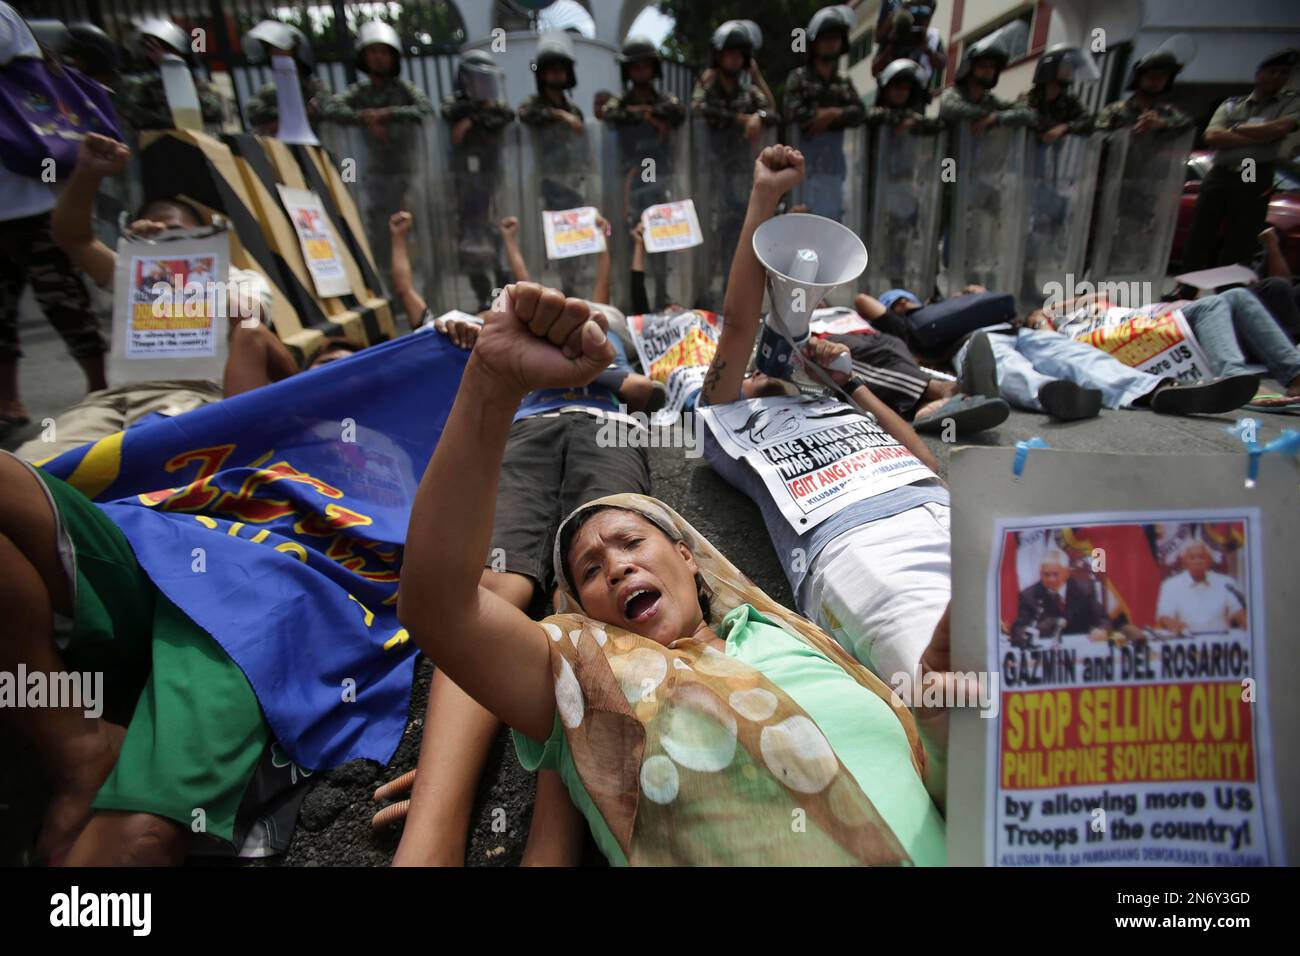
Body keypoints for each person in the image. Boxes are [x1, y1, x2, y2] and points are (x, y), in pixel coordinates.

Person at [394, 270, 955, 864]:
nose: (614, 566)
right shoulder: (585, 673)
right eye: (587, 573)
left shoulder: (795, 636)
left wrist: (943, 733)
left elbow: (929, 781)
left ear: (687, 555)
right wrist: (489, 382)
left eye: (632, 541)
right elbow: (441, 605)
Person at [28, 132, 357, 460]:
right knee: (34, 463)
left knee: (143, 466)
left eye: (175, 231)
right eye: (155, 229)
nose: (164, 235)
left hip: (190, 398)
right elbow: (72, 238)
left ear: (204, 237)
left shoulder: (241, 279)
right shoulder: (129, 272)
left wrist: (176, 266)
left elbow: (249, 319)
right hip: (114, 400)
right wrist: (87, 174)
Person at [0, 5, 109, 437]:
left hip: (35, 201)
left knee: (64, 300)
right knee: (0, 311)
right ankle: (7, 400)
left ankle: (100, 390)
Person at [321, 20, 433, 275]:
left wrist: (386, 114)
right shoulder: (359, 93)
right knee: (381, 235)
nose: (379, 58)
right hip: (377, 177)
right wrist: (364, 118)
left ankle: (425, 292)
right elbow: (330, 108)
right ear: (363, 56)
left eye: (384, 52)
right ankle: (390, 291)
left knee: (421, 234)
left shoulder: (404, 91)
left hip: (409, 174)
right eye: (373, 52)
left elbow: (425, 111)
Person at [1182, 49, 1300, 271]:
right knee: (1202, 231)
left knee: (1242, 234)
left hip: (1252, 169)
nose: (1278, 77)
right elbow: (1212, 136)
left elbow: (1280, 129)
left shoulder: (1289, 104)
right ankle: (1186, 287)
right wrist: (1259, 135)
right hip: (1222, 170)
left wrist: (1236, 129)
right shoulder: (1232, 104)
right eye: (1273, 71)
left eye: (1284, 73)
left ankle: (1229, 288)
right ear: (1258, 74)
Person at [690, 20, 779, 306]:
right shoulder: (708, 86)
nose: (733, 59)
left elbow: (771, 110)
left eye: (739, 54)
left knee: (737, 236)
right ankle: (706, 297)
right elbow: (699, 109)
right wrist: (743, 119)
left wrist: (757, 82)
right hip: (710, 177)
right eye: (728, 53)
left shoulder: (748, 93)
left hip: (740, 177)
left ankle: (733, 296)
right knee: (709, 237)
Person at [601, 37, 686, 311]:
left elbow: (678, 111)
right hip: (631, 182)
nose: (640, 71)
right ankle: (633, 302)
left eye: (645, 66)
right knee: (631, 242)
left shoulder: (664, 100)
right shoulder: (621, 101)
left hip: (660, 180)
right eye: (634, 67)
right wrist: (649, 117)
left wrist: (643, 114)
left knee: (661, 243)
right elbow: (609, 113)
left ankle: (662, 296)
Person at [439, 49, 514, 313]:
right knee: (471, 246)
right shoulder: (456, 108)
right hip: (465, 189)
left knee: (498, 242)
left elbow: (506, 116)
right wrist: (473, 115)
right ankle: (483, 296)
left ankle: (506, 294)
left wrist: (479, 115)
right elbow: (453, 127)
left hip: (492, 187)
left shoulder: (497, 110)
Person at [517, 31, 591, 296]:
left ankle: (571, 288)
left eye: (561, 69)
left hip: (573, 183)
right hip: (547, 184)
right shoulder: (535, 105)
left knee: (573, 241)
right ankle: (549, 294)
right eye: (551, 69)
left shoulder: (575, 110)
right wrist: (559, 116)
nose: (557, 74)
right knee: (551, 243)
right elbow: (524, 114)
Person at [783, 5, 864, 220]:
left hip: (833, 171)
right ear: (814, 42)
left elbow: (860, 113)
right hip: (802, 171)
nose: (831, 43)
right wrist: (823, 116)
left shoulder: (844, 81)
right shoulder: (799, 78)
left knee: (831, 232)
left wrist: (831, 114)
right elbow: (792, 113)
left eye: (836, 38)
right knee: (801, 230)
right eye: (826, 38)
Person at [118, 17, 224, 131]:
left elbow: (213, 113)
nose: (157, 54)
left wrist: (171, 66)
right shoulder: (140, 87)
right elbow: (134, 118)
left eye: (163, 48)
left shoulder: (198, 86)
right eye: (150, 48)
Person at [242, 20, 330, 136]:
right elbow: (253, 112)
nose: (278, 57)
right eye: (274, 52)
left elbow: (323, 109)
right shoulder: (269, 92)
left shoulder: (315, 88)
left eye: (282, 52)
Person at [1010, 550, 1109, 645]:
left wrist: (1101, 630)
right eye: (1046, 575)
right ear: (1040, 573)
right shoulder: (1029, 595)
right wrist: (1032, 631)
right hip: (1045, 651)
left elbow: (1103, 620)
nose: (1051, 579)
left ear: (1067, 573)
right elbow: (1018, 629)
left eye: (1055, 574)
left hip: (1079, 648)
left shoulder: (1083, 590)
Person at [938, 36, 1036, 130]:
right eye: (983, 66)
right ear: (969, 68)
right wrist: (987, 113)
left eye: (992, 67)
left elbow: (1028, 114)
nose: (989, 71)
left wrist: (998, 117)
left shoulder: (990, 101)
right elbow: (950, 109)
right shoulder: (952, 94)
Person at [1155, 539, 1247, 636]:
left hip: (1221, 640)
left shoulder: (1226, 582)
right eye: (1192, 558)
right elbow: (1164, 616)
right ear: (1183, 562)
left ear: (1209, 561)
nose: (1197, 561)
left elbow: (1238, 611)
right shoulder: (1170, 585)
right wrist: (1175, 625)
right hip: (1188, 640)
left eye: (1202, 557)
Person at [1095, 47, 1192, 133]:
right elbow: (1097, 137)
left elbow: (1188, 125)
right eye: (1152, 76)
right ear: (1138, 79)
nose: (1157, 81)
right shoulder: (1114, 111)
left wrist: (1162, 124)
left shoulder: (1167, 112)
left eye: (1163, 77)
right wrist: (1131, 133)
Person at [1018, 45, 1096, 143]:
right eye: (1066, 65)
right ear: (1050, 66)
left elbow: (1088, 123)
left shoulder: (1070, 101)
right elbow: (1023, 120)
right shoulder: (1029, 99)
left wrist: (1065, 127)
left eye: (1072, 67)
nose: (1070, 71)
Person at [871, 2, 946, 88]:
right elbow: (875, 70)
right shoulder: (895, 34)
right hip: (891, 92)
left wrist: (927, 50)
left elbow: (942, 64)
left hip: (918, 94)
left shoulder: (932, 37)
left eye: (924, 17)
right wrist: (891, 46)